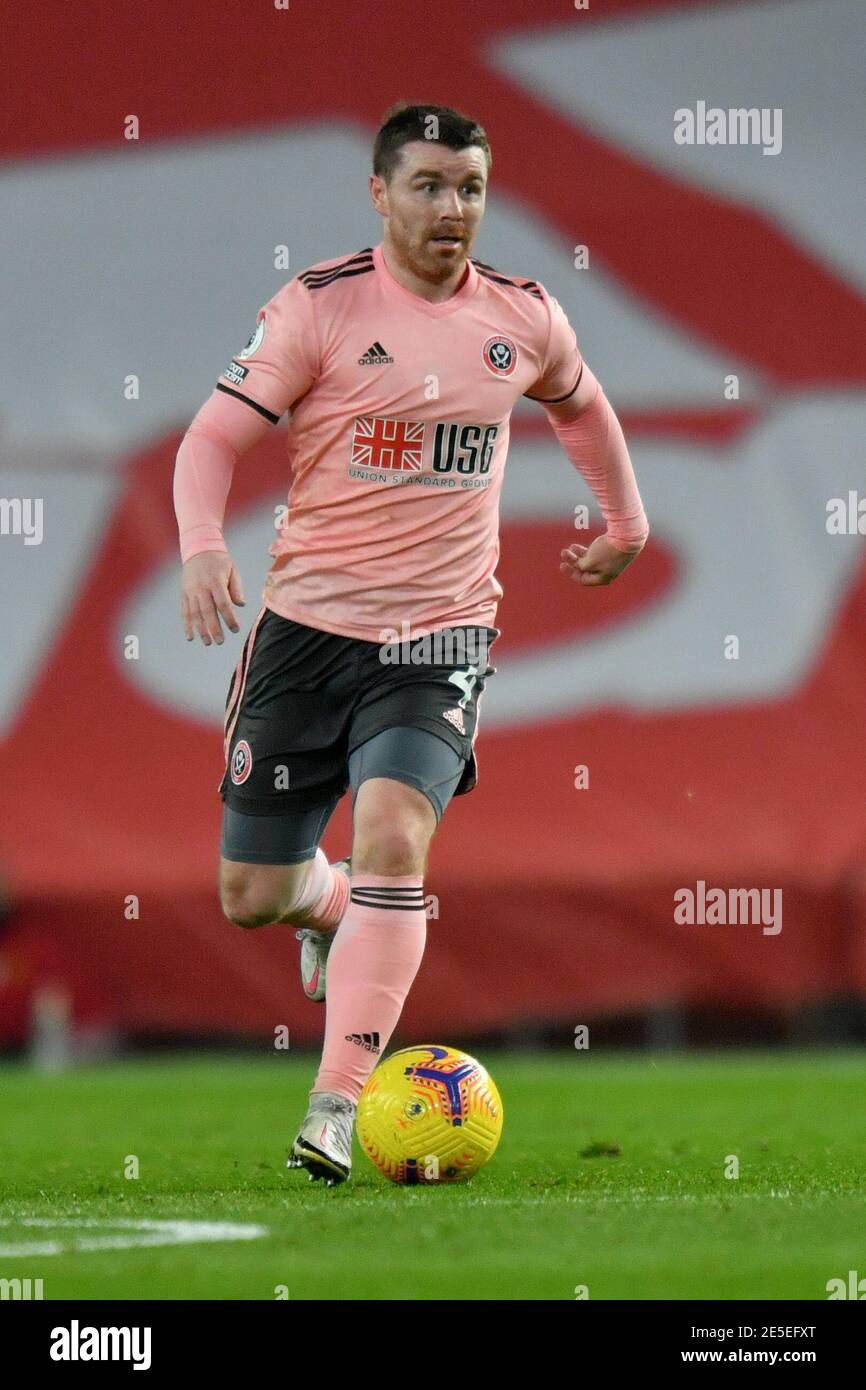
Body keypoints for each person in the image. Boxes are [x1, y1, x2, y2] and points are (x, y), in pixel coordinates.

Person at [173, 101, 649, 1184]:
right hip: (305, 631)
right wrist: (202, 544)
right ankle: (326, 908)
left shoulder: (522, 316)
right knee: (251, 894)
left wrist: (623, 521)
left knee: (394, 836)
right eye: (428, 186)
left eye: (470, 188)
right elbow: (210, 436)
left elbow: (580, 407)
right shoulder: (319, 309)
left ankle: (334, 1106)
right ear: (379, 194)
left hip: (439, 635)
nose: (452, 209)